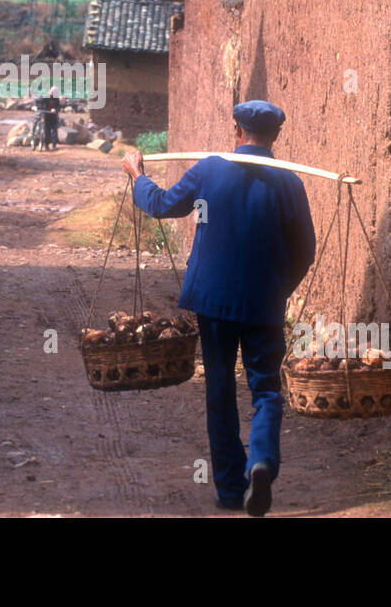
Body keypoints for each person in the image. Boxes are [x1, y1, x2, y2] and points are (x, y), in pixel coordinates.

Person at [121, 100, 315, 516]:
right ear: (276, 137)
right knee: (266, 389)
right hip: (264, 302)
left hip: (213, 301)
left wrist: (138, 176)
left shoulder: (209, 169)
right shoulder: (290, 184)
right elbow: (305, 251)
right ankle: (262, 460)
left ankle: (230, 487)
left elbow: (161, 205)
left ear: (237, 131)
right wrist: (279, 289)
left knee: (220, 389)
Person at [34, 86, 61, 151]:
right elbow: (38, 101)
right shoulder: (45, 97)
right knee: (46, 131)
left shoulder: (56, 99)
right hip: (46, 116)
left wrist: (55, 109)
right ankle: (46, 145)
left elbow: (58, 107)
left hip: (54, 117)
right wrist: (35, 106)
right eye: (52, 92)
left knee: (54, 131)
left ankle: (54, 145)